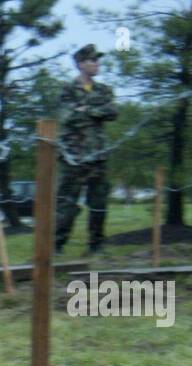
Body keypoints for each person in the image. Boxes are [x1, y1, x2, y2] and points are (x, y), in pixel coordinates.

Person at [55, 45, 117, 255]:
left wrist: (87, 110)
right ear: (81, 64)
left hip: (98, 155)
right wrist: (94, 112)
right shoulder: (68, 89)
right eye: (92, 60)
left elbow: (112, 112)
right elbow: (68, 117)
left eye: (97, 60)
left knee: (99, 204)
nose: (97, 64)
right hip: (73, 156)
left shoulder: (103, 90)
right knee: (66, 204)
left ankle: (96, 246)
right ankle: (57, 245)